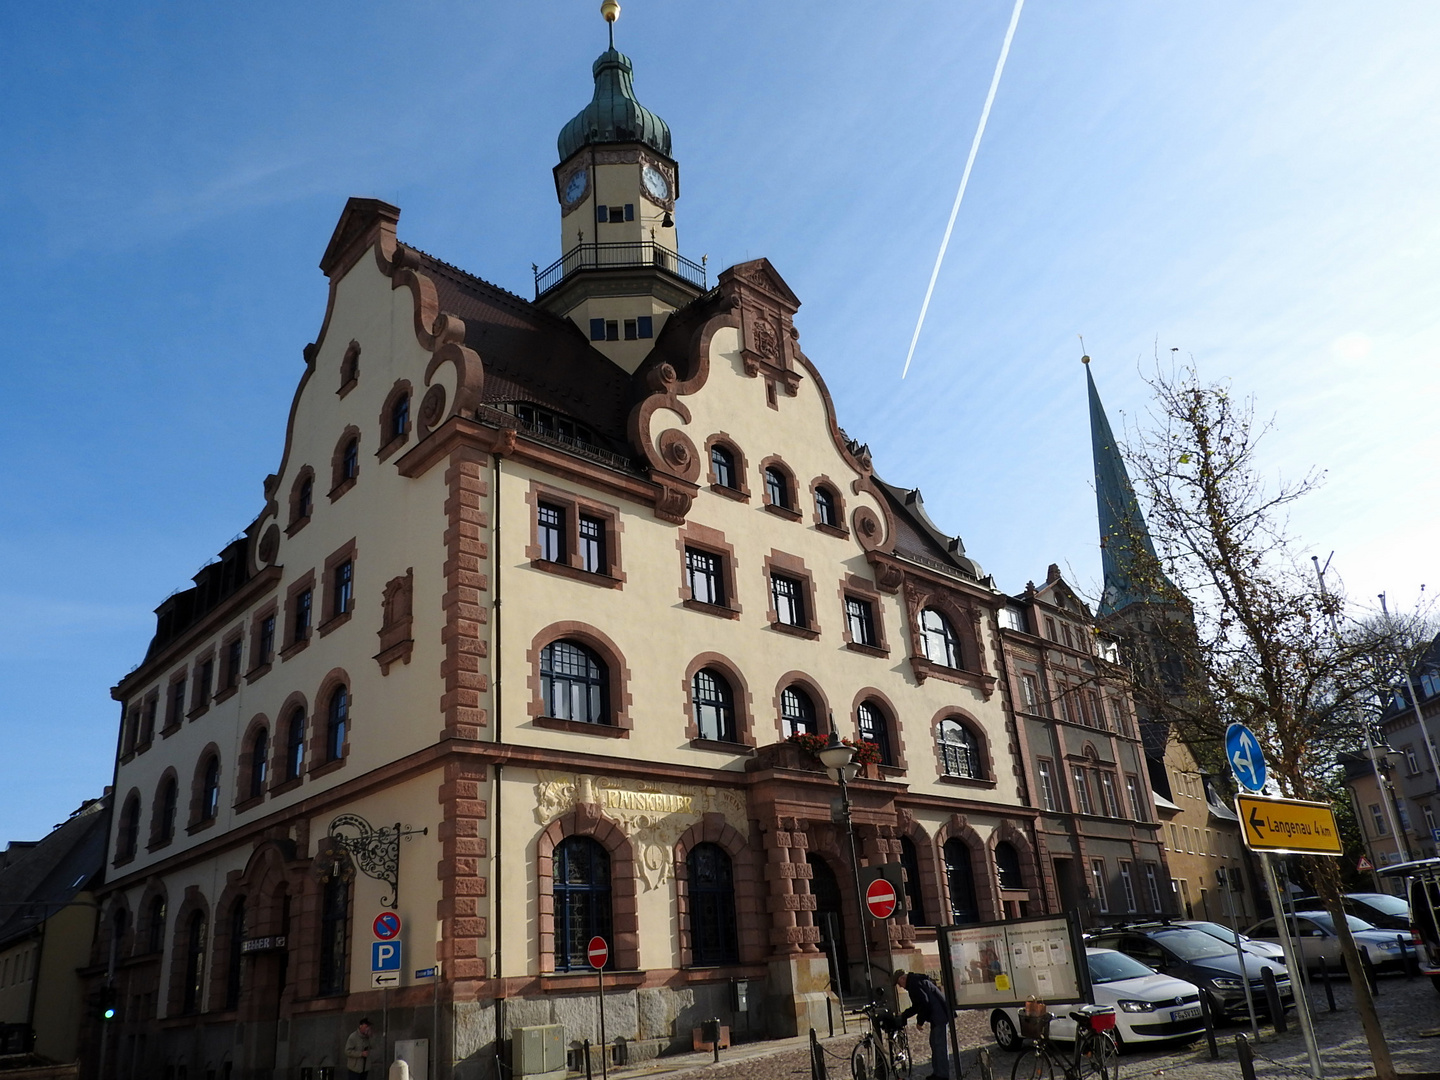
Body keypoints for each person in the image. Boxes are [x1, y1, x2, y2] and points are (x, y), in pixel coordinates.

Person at [894, 969, 953, 1080]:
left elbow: (924, 1003)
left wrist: (920, 1022)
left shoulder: (914, 984)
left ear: (902, 979)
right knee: (935, 1044)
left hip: (939, 1015)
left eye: (899, 983)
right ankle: (937, 1073)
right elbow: (918, 1005)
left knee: (939, 1046)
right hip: (938, 1015)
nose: (900, 987)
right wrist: (905, 1014)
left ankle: (942, 1075)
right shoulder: (915, 981)